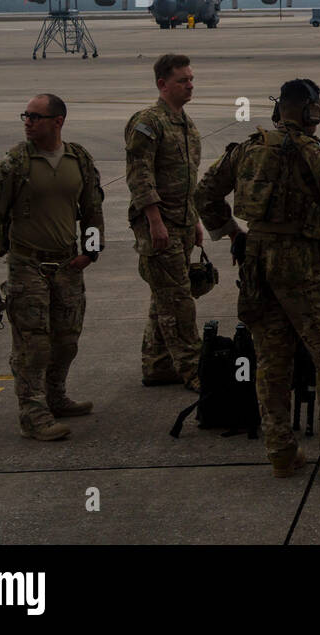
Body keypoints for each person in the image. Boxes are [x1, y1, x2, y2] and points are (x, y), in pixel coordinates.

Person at [195, 78, 320, 478]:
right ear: (309, 111)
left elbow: (206, 194)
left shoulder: (247, 147)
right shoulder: (314, 153)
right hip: (303, 267)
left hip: (256, 266)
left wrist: (233, 232)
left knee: (272, 360)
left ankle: (280, 450)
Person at [0, 94, 104, 440]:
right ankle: (32, 412)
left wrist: (90, 252)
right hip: (27, 264)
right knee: (33, 344)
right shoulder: (13, 163)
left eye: (35, 116)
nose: (27, 122)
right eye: (25, 116)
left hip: (67, 264)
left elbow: (92, 208)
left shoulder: (80, 159)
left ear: (58, 121)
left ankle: (56, 396)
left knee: (67, 339)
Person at [126, 53, 204, 391]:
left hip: (182, 222)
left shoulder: (184, 122)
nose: (189, 85)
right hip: (160, 225)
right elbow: (139, 176)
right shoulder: (148, 122)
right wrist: (154, 220)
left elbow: (188, 178)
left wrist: (195, 221)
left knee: (165, 296)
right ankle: (193, 369)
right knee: (179, 301)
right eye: (182, 81)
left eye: (190, 79)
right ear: (162, 85)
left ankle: (158, 364)